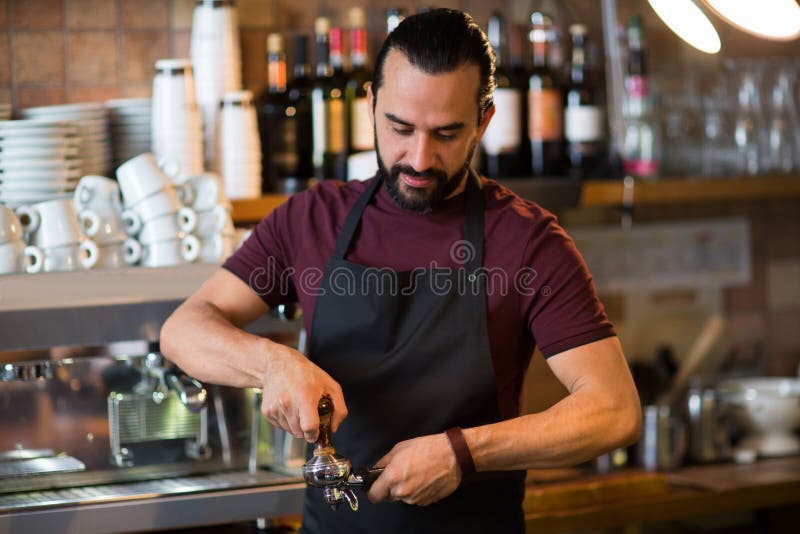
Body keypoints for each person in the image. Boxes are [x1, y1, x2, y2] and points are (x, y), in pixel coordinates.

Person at [161, 8, 641, 534]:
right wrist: (270, 363)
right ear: (371, 104)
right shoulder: (311, 219)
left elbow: (613, 410)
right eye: (399, 127)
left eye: (446, 133)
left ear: (483, 120)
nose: (418, 158)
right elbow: (184, 329)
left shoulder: (528, 242)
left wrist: (463, 451)